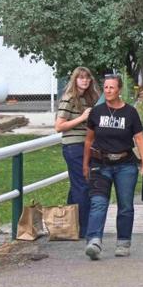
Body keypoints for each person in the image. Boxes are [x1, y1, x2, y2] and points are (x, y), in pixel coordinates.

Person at [82, 75, 143, 260]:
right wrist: (85, 164)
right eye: (105, 87)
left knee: (125, 205)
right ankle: (94, 240)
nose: (108, 90)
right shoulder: (96, 112)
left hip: (125, 164)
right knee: (98, 203)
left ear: (119, 90)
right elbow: (89, 139)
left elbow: (139, 138)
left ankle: (123, 241)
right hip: (100, 164)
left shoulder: (130, 113)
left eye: (112, 87)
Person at [54, 66, 99, 234]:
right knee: (83, 185)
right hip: (73, 147)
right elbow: (59, 126)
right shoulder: (69, 98)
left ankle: (69, 225)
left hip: (87, 146)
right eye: (81, 78)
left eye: (87, 78)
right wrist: (82, 117)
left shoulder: (88, 99)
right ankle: (84, 228)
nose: (85, 80)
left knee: (78, 186)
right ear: (75, 80)